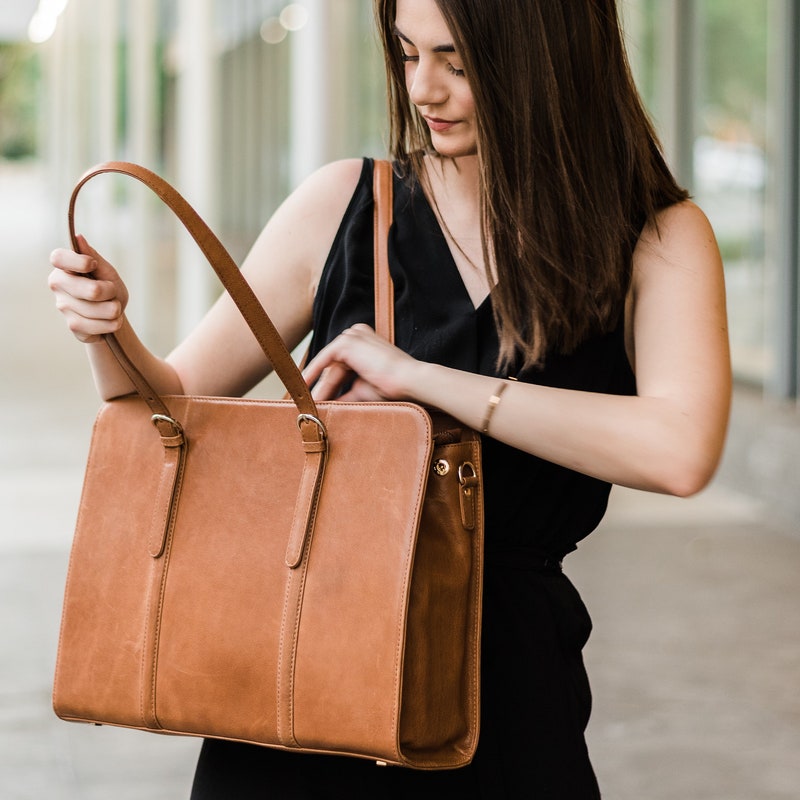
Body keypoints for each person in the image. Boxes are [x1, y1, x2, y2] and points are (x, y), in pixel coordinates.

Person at [48, 0, 731, 796]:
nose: (423, 89)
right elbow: (166, 413)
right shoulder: (344, 205)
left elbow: (680, 451)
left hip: (505, 701)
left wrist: (419, 379)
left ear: (548, 64)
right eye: (408, 55)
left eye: (458, 63)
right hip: (307, 681)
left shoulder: (657, 237)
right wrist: (109, 332)